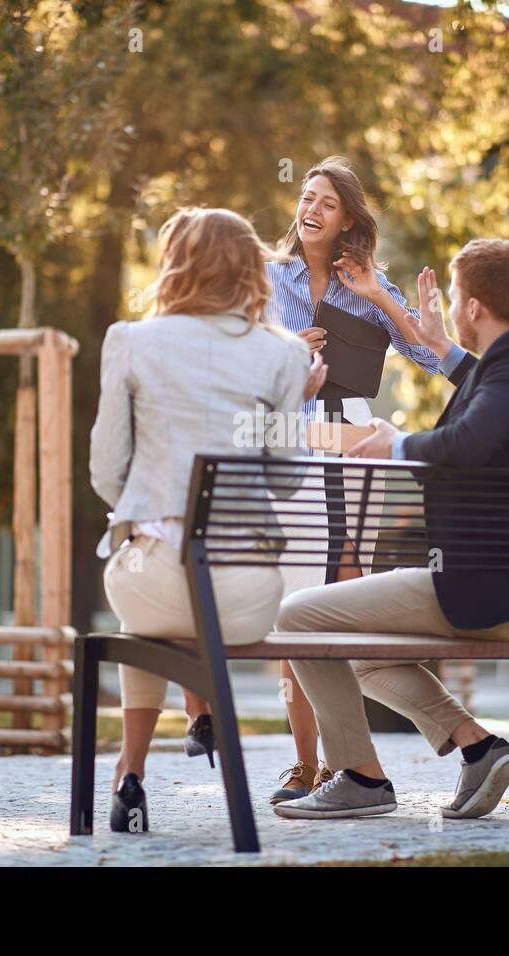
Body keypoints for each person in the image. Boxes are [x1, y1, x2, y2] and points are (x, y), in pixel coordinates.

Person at [271, 239, 509, 820]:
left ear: (474, 307)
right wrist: (440, 344)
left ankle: (360, 778)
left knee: (298, 616)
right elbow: (492, 396)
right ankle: (477, 747)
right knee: (361, 653)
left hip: (504, 591)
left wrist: (391, 443)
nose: (450, 308)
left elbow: (471, 440)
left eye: (455, 300)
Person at [89, 207, 326, 833]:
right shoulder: (283, 356)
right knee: (177, 606)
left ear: (177, 263)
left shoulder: (131, 340)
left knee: (146, 612)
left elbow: (106, 473)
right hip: (245, 593)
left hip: (151, 581)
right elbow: (286, 480)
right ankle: (159, 752)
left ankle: (129, 773)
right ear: (253, 268)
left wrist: (145, 508)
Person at [261, 156, 473, 804]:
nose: (311, 208)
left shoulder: (367, 282)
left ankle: (347, 766)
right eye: (306, 196)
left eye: (326, 201)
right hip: (295, 440)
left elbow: (426, 353)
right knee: (294, 602)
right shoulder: (271, 277)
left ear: (348, 217)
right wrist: (287, 346)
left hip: (353, 446)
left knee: (344, 599)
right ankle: (305, 766)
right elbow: (243, 351)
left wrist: (379, 294)